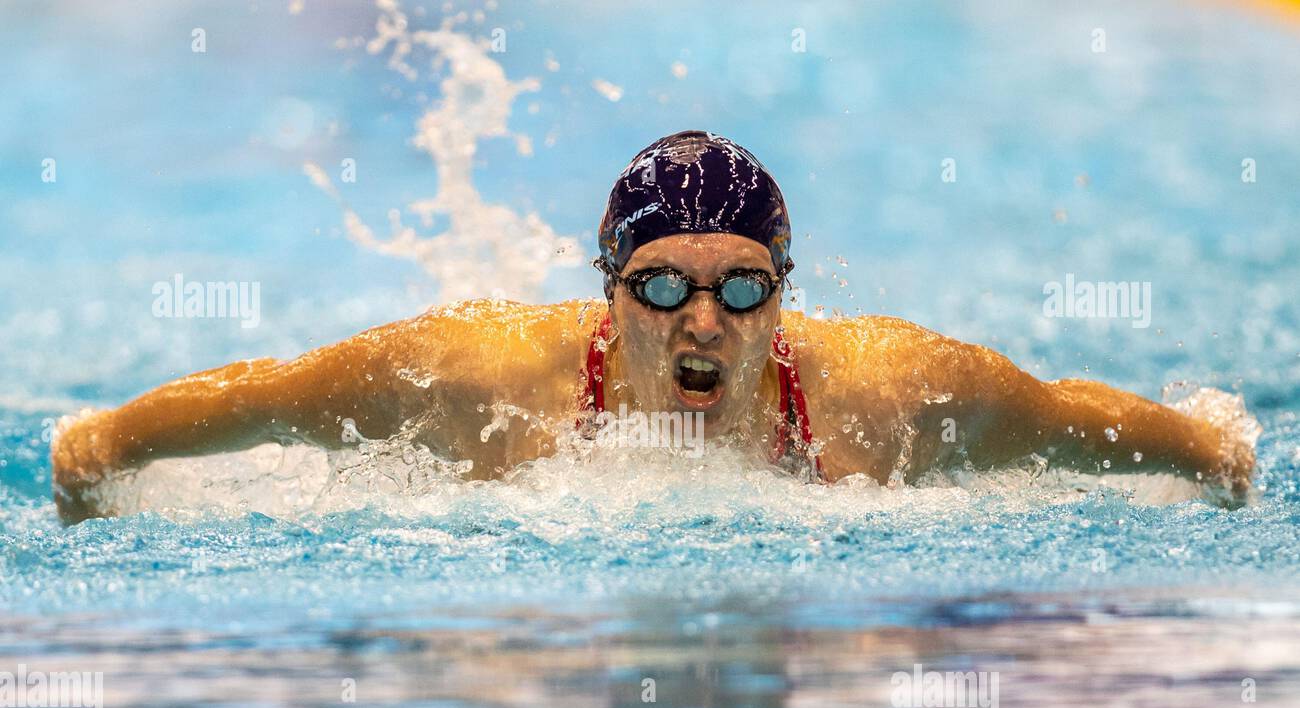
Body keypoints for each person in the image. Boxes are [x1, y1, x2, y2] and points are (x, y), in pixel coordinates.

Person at [51, 130, 1254, 523]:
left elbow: (1058, 419)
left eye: (740, 288)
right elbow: (280, 392)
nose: (704, 321)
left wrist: (1211, 453)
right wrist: (98, 447)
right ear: (607, 290)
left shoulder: (890, 393)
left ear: (781, 293)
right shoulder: (473, 377)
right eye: (662, 286)